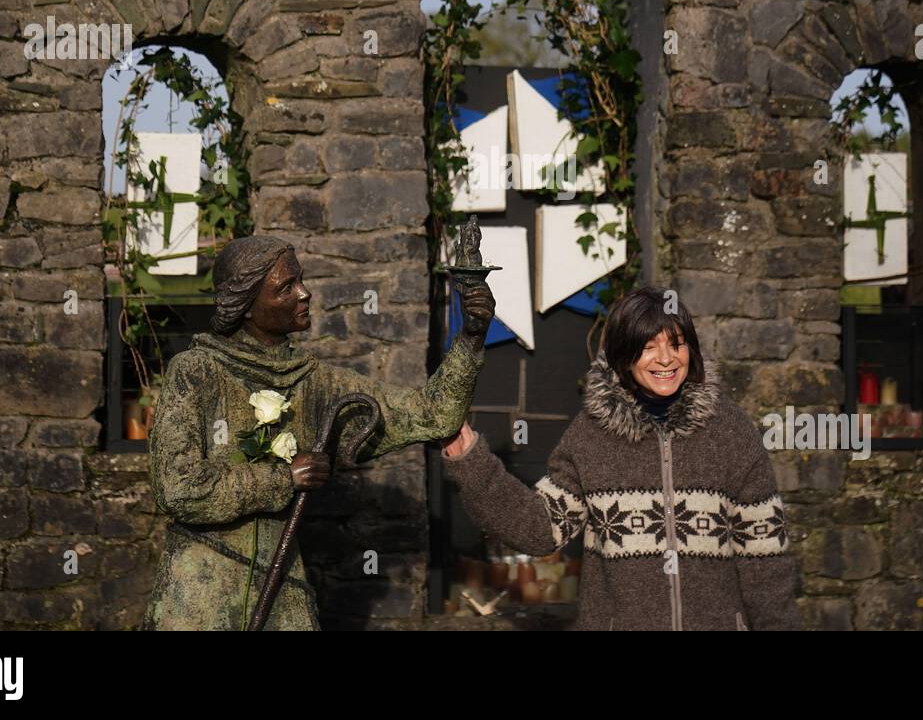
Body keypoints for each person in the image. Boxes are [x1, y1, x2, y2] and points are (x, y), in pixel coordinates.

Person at [144, 234, 495, 630]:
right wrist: (284, 478)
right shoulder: (197, 372)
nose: (304, 293)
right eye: (286, 288)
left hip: (282, 591)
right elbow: (178, 489)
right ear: (245, 304)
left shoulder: (317, 384)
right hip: (199, 595)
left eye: (302, 280)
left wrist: (470, 338)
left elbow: (433, 415)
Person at [441, 285, 802, 630]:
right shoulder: (592, 436)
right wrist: (472, 463)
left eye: (676, 344)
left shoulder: (730, 431)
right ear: (623, 356)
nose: (665, 358)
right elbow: (540, 529)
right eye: (647, 347)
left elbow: (765, 559)